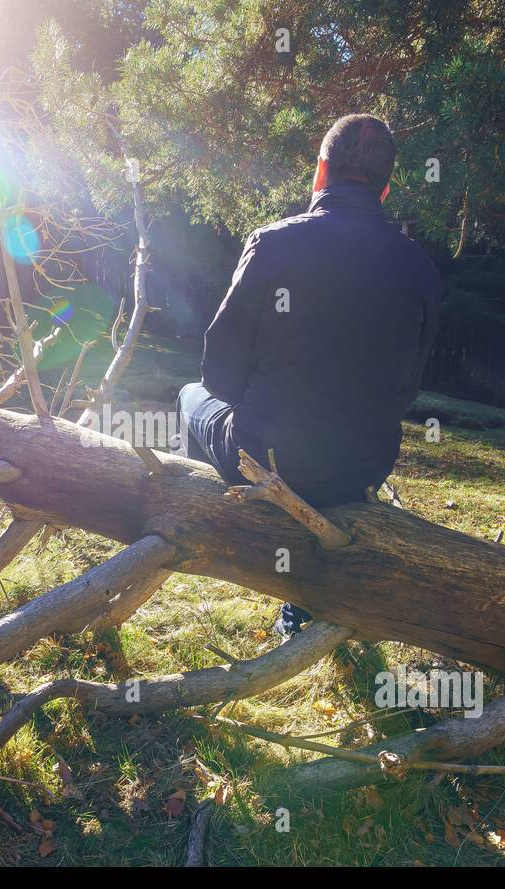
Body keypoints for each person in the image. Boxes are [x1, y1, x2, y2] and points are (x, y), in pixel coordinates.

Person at [177, 113, 441, 638]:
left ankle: (199, 522)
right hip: (362, 468)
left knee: (189, 395)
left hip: (267, 458)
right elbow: (405, 391)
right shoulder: (422, 270)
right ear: (385, 191)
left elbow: (219, 375)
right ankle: (303, 589)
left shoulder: (273, 243)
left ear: (320, 171)